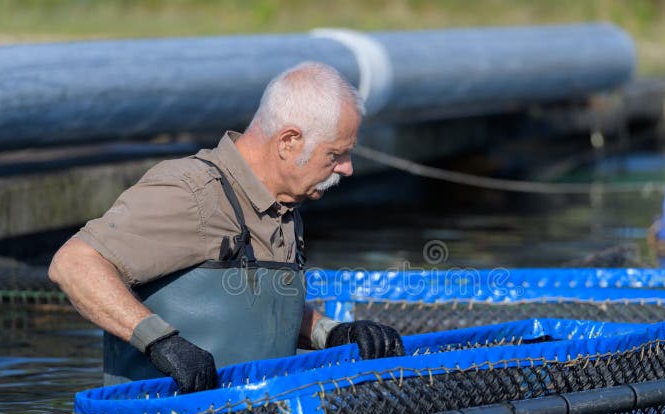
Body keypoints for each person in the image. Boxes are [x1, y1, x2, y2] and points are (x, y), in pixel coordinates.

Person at [48, 62, 404, 394]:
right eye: (335, 155)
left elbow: (256, 309)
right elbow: (75, 264)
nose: (347, 168)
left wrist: (333, 333)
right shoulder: (190, 191)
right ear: (288, 141)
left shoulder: (284, 206)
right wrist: (160, 342)